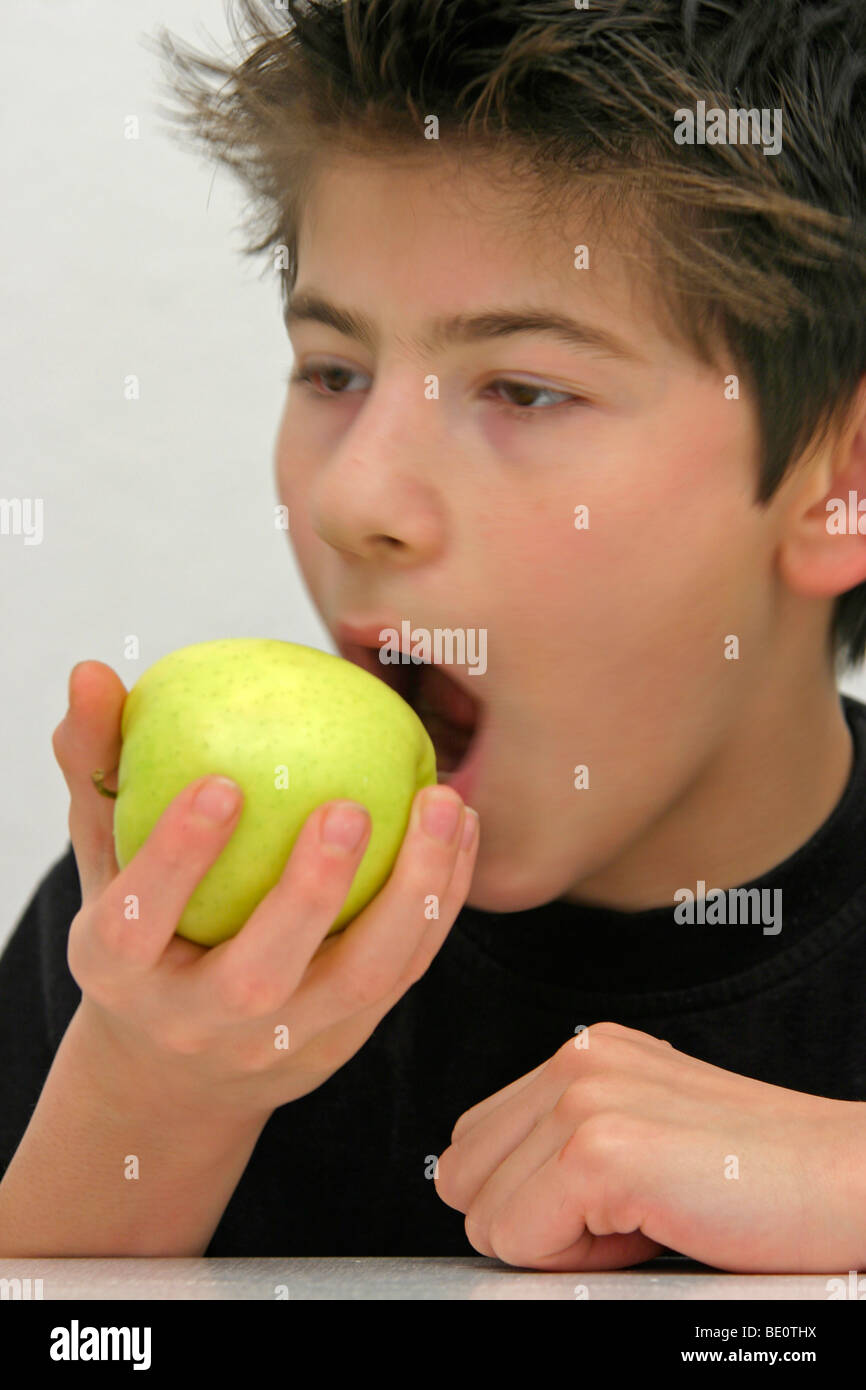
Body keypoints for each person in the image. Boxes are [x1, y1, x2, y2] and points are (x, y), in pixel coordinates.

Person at [2, 0, 866, 1272]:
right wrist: (150, 1094)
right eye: (333, 372)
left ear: (838, 483)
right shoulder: (152, 948)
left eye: (522, 388)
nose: (354, 499)